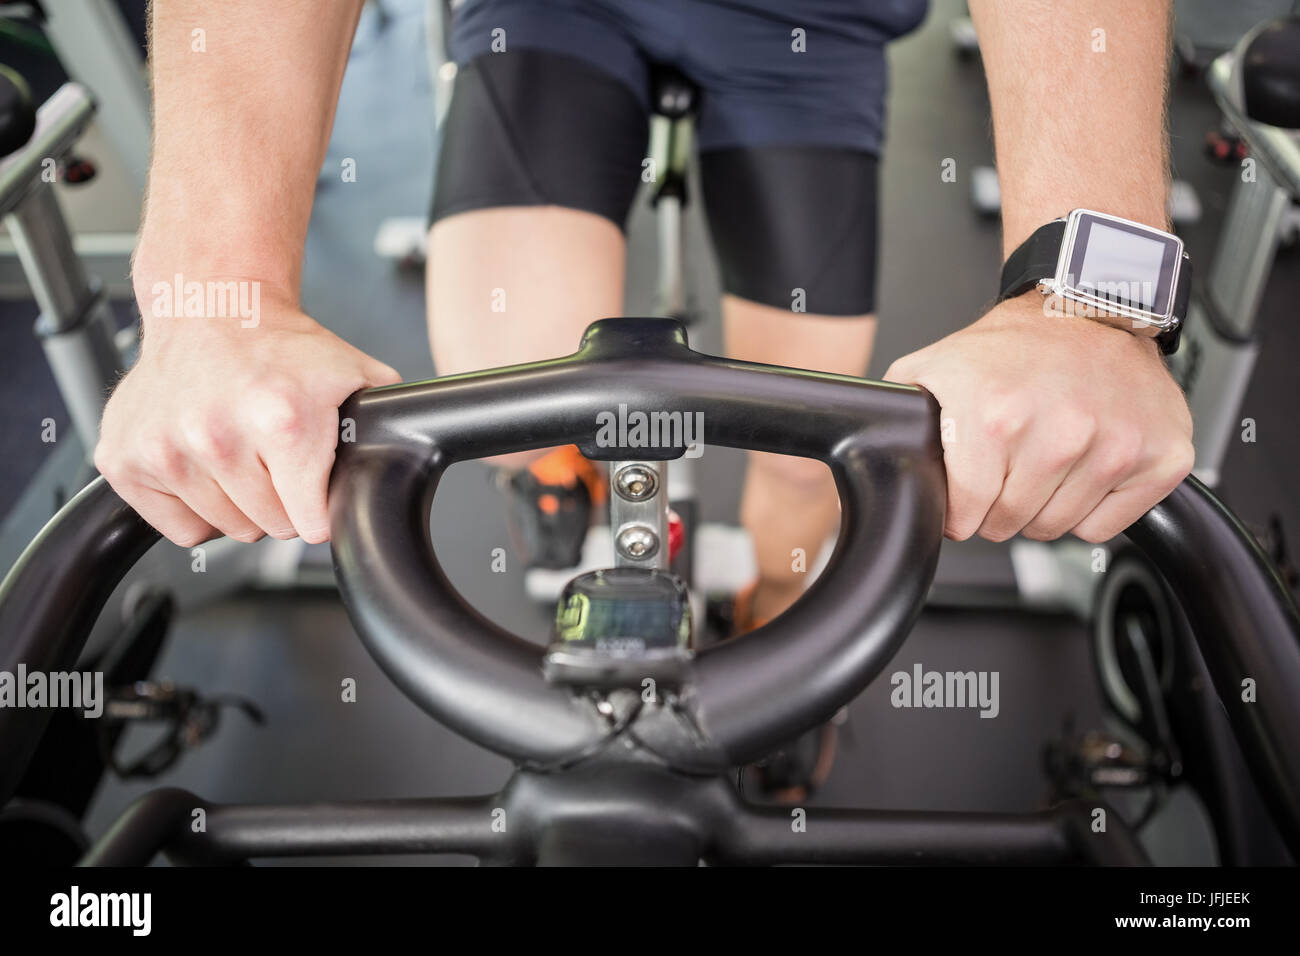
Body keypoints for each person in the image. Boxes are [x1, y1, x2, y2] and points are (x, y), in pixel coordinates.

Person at [96, 0, 1194, 792]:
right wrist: (219, 292)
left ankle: (776, 641)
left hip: (807, 24)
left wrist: (1084, 304)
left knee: (819, 459)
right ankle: (552, 493)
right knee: (504, 386)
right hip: (549, 15)